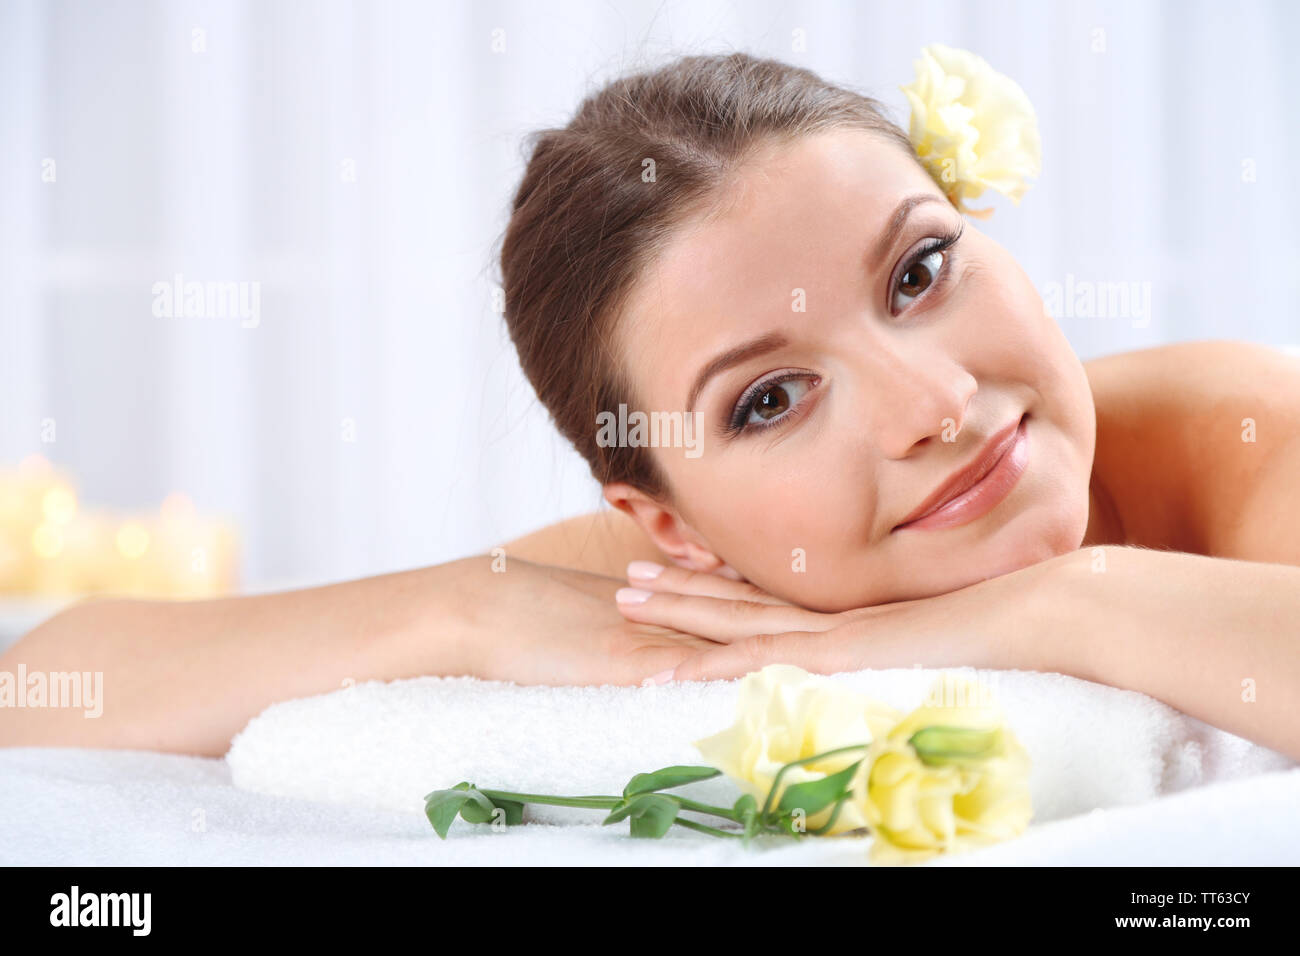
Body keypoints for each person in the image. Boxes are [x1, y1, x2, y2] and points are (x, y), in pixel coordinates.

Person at [2, 53, 1298, 761]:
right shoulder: (708, 579)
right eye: (774, 396)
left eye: (917, 272)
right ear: (665, 522)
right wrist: (467, 606)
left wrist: (1049, 605)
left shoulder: (1236, 431)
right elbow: (37, 690)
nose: (937, 402)